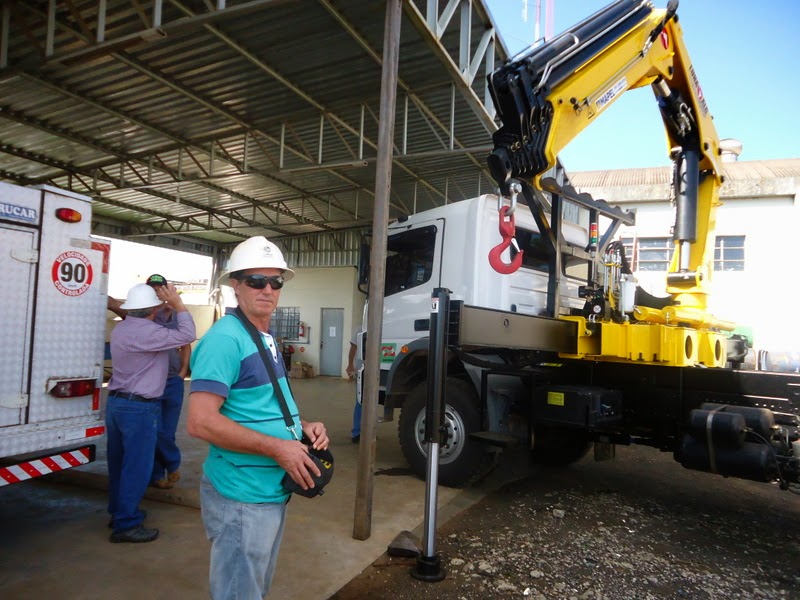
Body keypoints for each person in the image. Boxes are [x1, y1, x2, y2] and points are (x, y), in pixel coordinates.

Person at [187, 235, 329, 599]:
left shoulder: (263, 337)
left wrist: (301, 427)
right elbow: (200, 421)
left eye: (275, 281)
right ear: (236, 285)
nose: (267, 289)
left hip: (267, 491)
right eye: (256, 281)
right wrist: (277, 448)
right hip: (241, 498)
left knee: (253, 588)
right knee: (239, 591)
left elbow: (262, 404)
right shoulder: (225, 339)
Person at [106, 282, 196, 543]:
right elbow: (187, 334)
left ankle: (119, 512)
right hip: (139, 409)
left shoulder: (123, 329)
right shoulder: (149, 332)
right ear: (153, 309)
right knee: (137, 466)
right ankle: (126, 525)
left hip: (116, 404)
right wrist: (178, 305)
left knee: (119, 463)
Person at [145, 274, 191, 490]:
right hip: (151, 382)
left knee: (167, 432)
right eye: (153, 290)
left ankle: (160, 474)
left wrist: (183, 371)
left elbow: (186, 344)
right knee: (155, 430)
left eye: (161, 289)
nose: (158, 294)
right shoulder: (144, 316)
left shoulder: (178, 315)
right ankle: (164, 469)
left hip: (173, 382)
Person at [346, 330, 364, 443]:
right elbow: (353, 348)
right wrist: (350, 365)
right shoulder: (359, 330)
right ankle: (356, 432)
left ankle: (367, 431)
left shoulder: (379, 326)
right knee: (360, 402)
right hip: (361, 370)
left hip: (373, 369)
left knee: (370, 404)